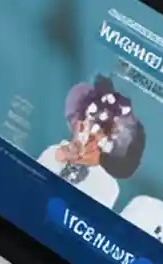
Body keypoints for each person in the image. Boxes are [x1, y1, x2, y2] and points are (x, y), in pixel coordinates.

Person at [38, 75, 147, 209]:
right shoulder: (54, 153)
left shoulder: (107, 186)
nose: (83, 132)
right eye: (83, 123)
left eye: (97, 136)